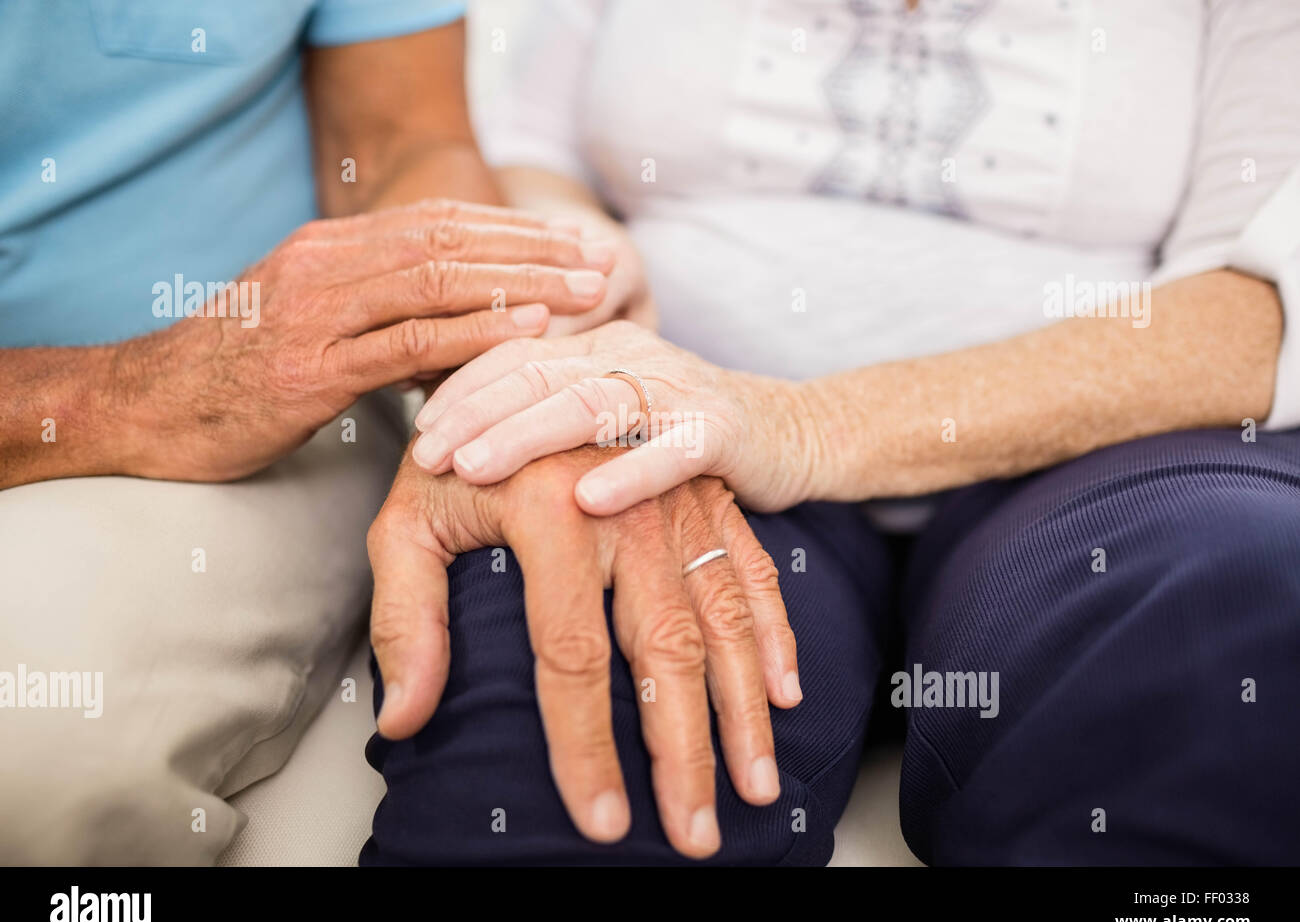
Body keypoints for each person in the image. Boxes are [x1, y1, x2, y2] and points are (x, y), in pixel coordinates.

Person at [361, 0, 1300, 864]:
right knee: (554, 671)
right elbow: (519, 147)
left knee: (1226, 618)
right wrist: (572, 260)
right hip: (674, 423)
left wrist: (803, 423)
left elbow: (1262, 306)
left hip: (1116, 449)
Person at [0, 0, 628, 864]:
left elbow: (403, 141)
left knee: (38, 757)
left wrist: (498, 391)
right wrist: (113, 392)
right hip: (134, 400)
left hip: (259, 423)